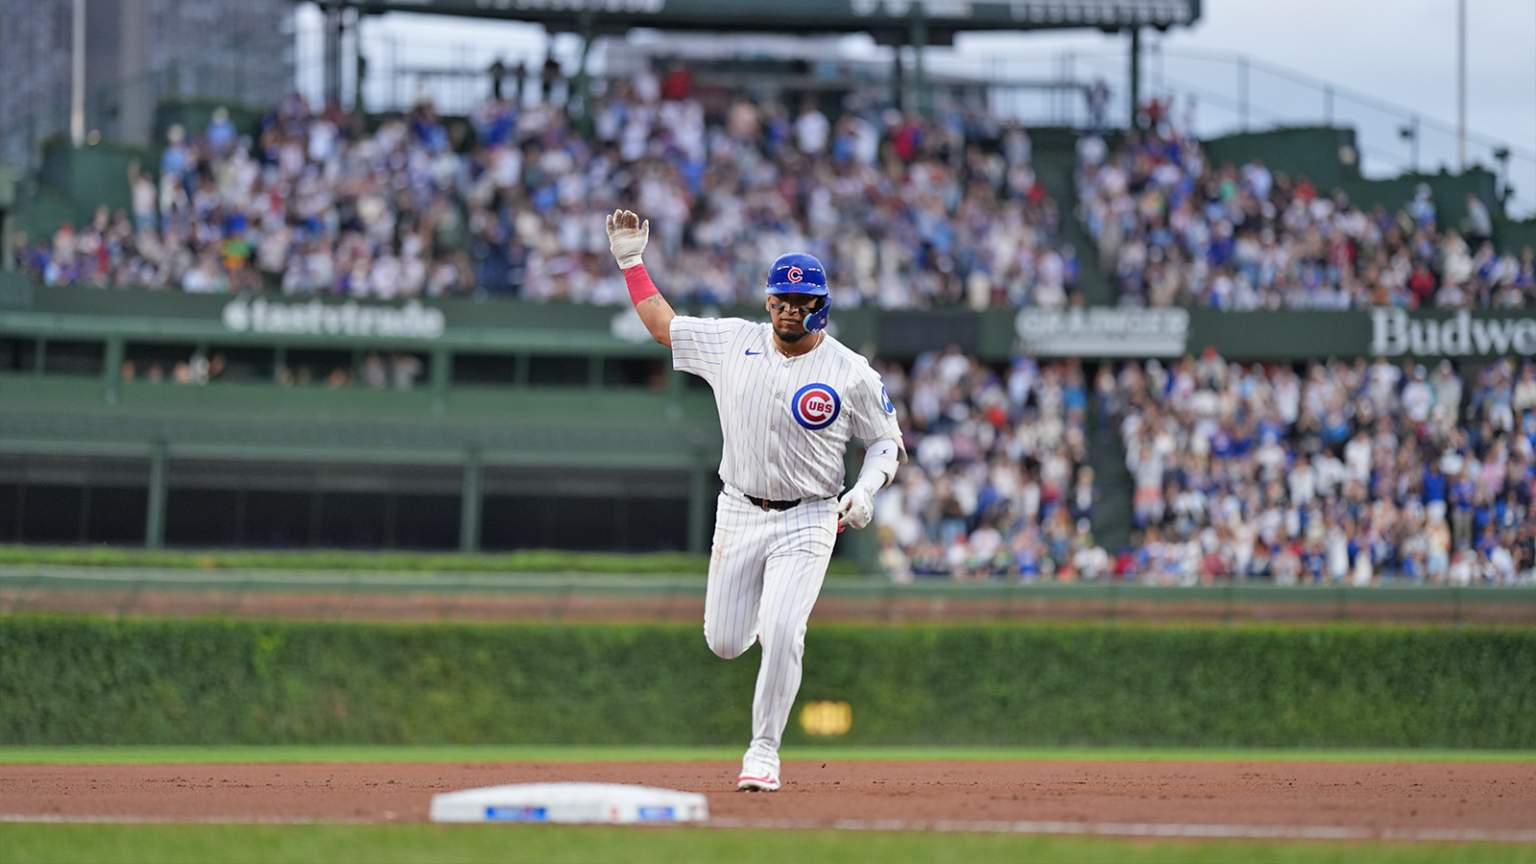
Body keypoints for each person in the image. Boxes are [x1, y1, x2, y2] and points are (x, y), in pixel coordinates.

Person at [606, 208, 906, 792]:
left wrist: (867, 488)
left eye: (801, 300)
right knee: (723, 642)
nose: (789, 309)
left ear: (821, 304)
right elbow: (663, 326)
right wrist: (631, 262)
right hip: (740, 509)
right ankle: (766, 623)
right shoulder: (733, 341)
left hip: (811, 515)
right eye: (781, 299)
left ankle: (763, 752)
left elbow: (887, 442)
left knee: (786, 630)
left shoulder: (850, 371)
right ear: (768, 300)